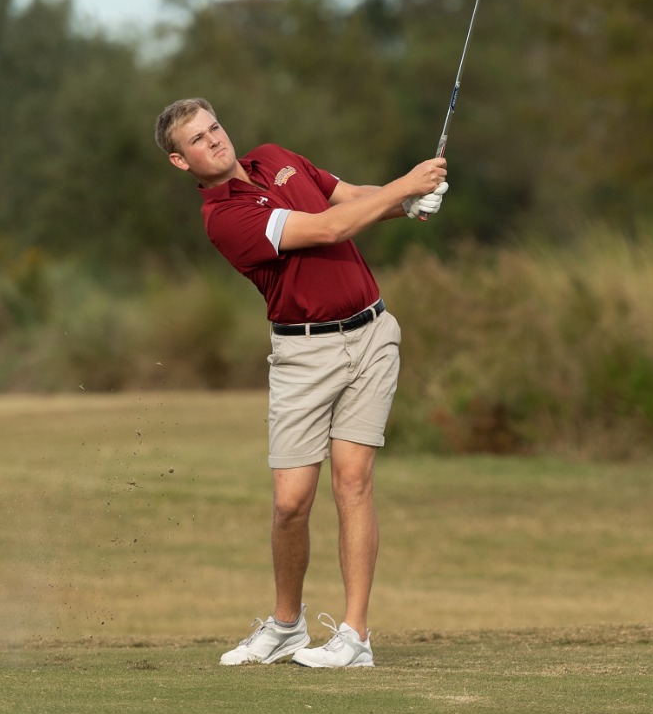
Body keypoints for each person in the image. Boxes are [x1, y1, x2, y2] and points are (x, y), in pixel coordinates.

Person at [157, 97, 447, 668]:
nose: (214, 140)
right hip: (302, 354)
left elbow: (350, 200)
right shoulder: (224, 218)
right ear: (180, 162)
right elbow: (329, 228)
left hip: (371, 336)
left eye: (214, 126)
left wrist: (409, 202)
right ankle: (287, 625)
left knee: (354, 482)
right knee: (291, 502)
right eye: (197, 139)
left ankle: (355, 636)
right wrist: (407, 184)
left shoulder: (275, 158)